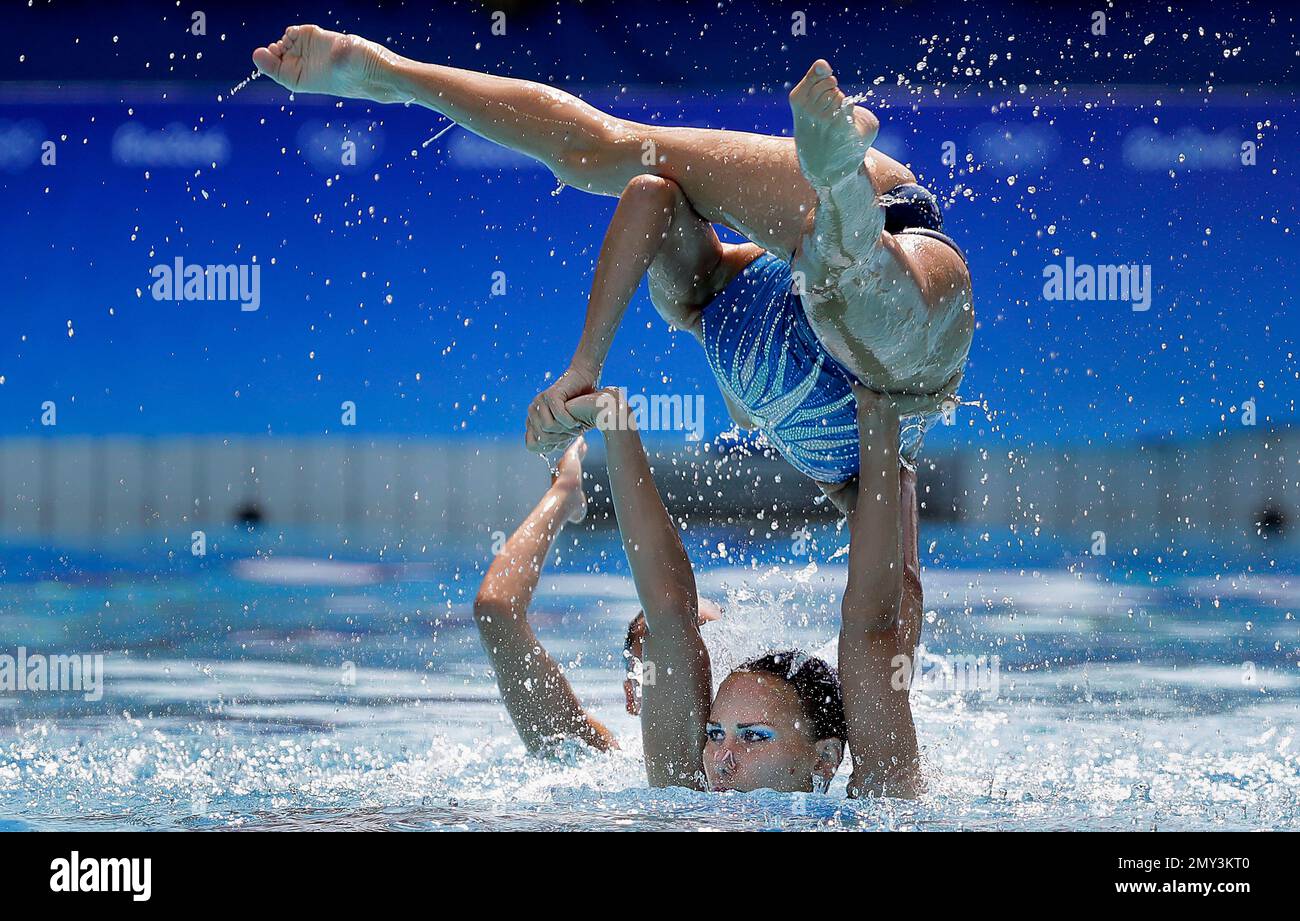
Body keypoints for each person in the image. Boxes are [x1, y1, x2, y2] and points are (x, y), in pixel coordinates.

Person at [251, 26, 974, 514]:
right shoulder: (870, 475)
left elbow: (650, 194)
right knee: (858, 305)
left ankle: (390, 74)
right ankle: (838, 182)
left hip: (846, 246)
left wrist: (581, 370)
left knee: (600, 154)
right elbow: (886, 611)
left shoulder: (703, 306)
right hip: (909, 334)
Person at [472, 382, 925, 797]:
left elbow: (874, 626)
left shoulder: (877, 805)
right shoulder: (678, 792)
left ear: (825, 758)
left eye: (753, 737)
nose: (721, 761)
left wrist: (886, 453)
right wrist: (616, 425)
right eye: (713, 734)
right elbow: (669, 616)